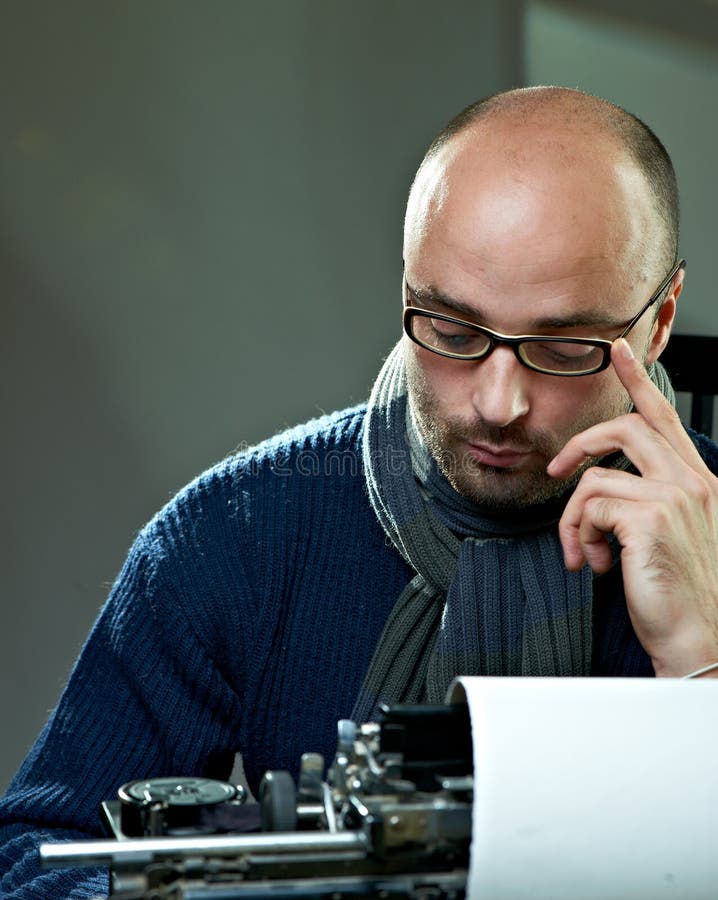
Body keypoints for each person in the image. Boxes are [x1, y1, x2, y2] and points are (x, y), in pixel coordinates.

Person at [2, 85, 718, 898]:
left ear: (658, 322)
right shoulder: (236, 532)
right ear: (409, 287)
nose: (497, 403)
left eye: (562, 347)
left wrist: (704, 670)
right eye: (452, 331)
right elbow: (32, 855)